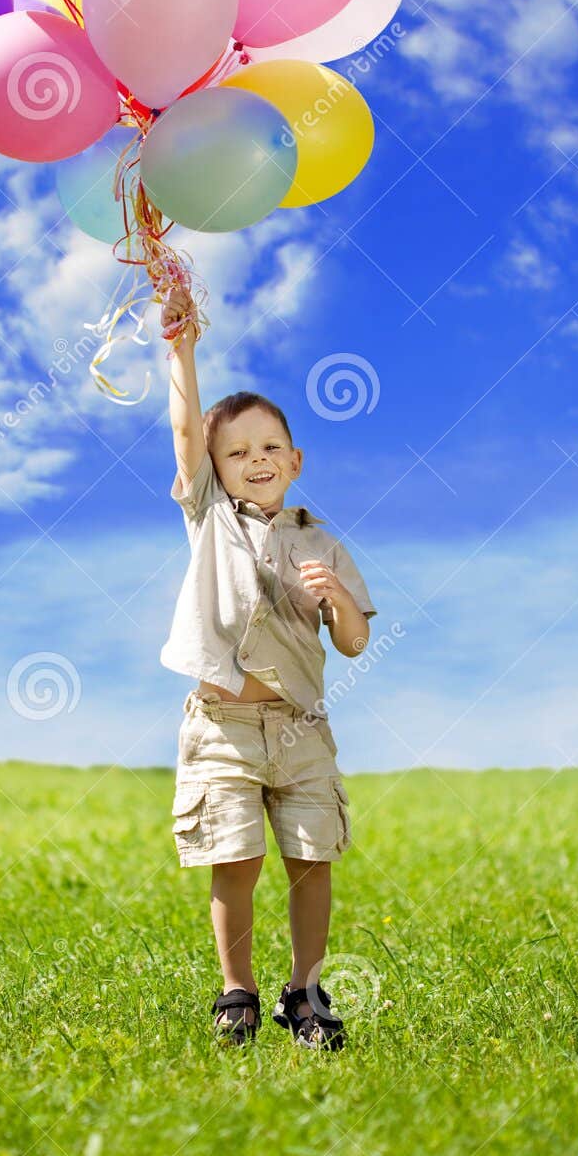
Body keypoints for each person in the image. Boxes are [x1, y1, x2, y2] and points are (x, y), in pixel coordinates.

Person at [160, 305, 377, 1050]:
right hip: (221, 728)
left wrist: (340, 600)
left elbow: (353, 643)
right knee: (236, 858)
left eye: (269, 447)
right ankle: (237, 991)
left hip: (300, 730)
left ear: (294, 459)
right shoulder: (210, 517)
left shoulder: (322, 541)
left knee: (311, 859)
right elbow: (186, 432)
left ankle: (304, 993)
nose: (254, 459)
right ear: (213, 473)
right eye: (236, 452)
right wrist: (181, 350)